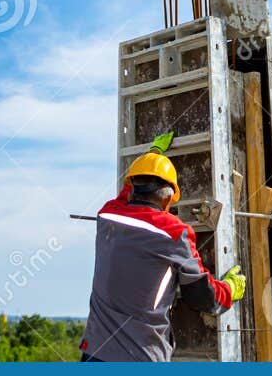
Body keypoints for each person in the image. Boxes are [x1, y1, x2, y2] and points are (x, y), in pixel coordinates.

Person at [79, 134, 246, 362]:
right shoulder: (174, 232)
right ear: (168, 200)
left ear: (133, 186)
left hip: (95, 353)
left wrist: (154, 154)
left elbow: (126, 193)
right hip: (141, 356)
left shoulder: (108, 215)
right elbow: (200, 296)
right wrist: (228, 289)